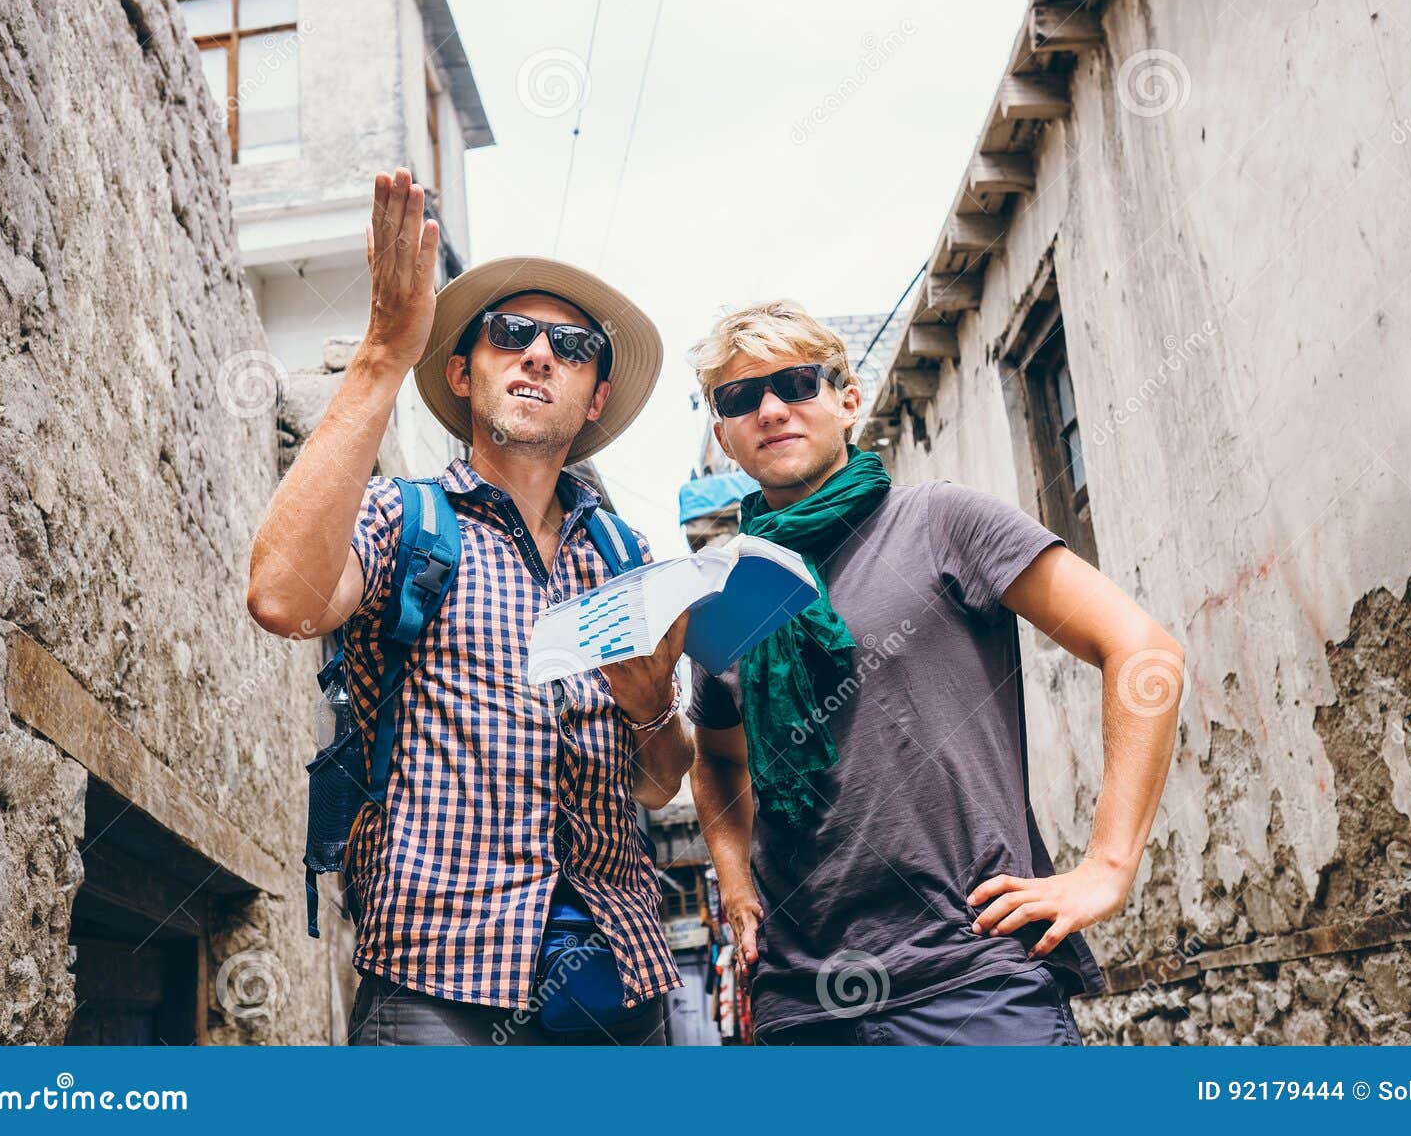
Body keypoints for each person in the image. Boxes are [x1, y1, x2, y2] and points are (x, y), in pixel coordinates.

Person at [246, 168, 691, 1045]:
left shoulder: (626, 558)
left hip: (622, 987)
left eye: (572, 347)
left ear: (595, 397)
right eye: (511, 334)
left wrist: (651, 710)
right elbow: (280, 598)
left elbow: (659, 780)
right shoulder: (402, 519)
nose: (539, 355)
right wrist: (383, 351)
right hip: (439, 988)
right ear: (461, 369)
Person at [686, 300, 1182, 1045]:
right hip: (803, 1002)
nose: (771, 409)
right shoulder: (727, 594)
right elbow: (719, 762)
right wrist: (733, 879)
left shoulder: (942, 522)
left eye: (796, 383)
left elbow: (1143, 650)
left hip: (972, 977)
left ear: (848, 401)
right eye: (739, 397)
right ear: (724, 434)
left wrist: (1107, 866)